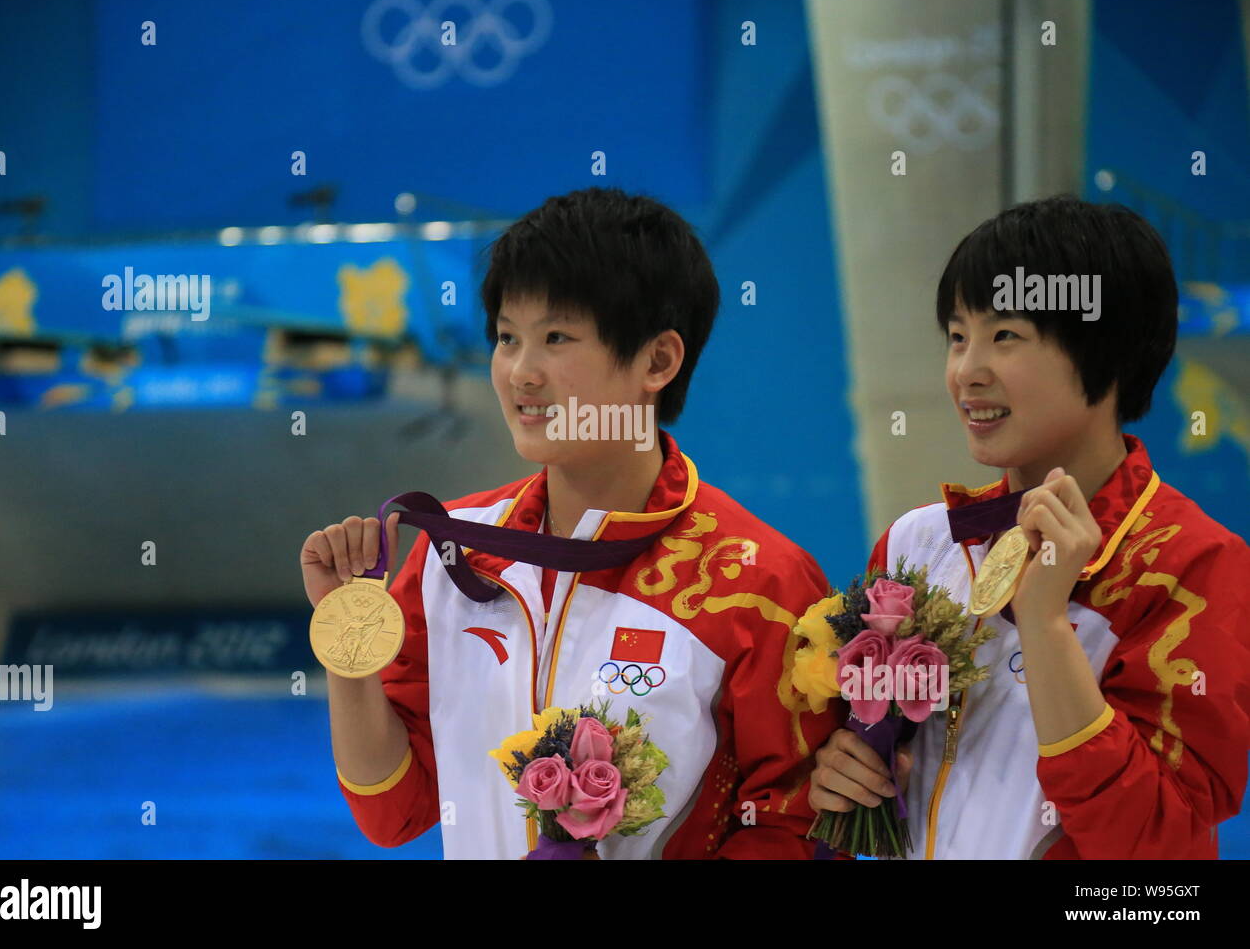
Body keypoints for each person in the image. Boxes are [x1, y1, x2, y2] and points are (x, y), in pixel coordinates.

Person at [303, 187, 838, 858]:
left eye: (556, 338)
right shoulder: (453, 554)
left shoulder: (759, 584)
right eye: (506, 337)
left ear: (658, 361)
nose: (521, 373)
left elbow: (797, 832)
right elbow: (394, 814)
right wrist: (348, 646)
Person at [808, 195, 1250, 859]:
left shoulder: (1194, 567)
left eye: (1004, 336)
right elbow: (874, 783)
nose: (967, 371)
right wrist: (845, 773)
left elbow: (1159, 851)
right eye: (958, 337)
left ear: (1109, 350)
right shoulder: (917, 543)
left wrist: (1044, 625)